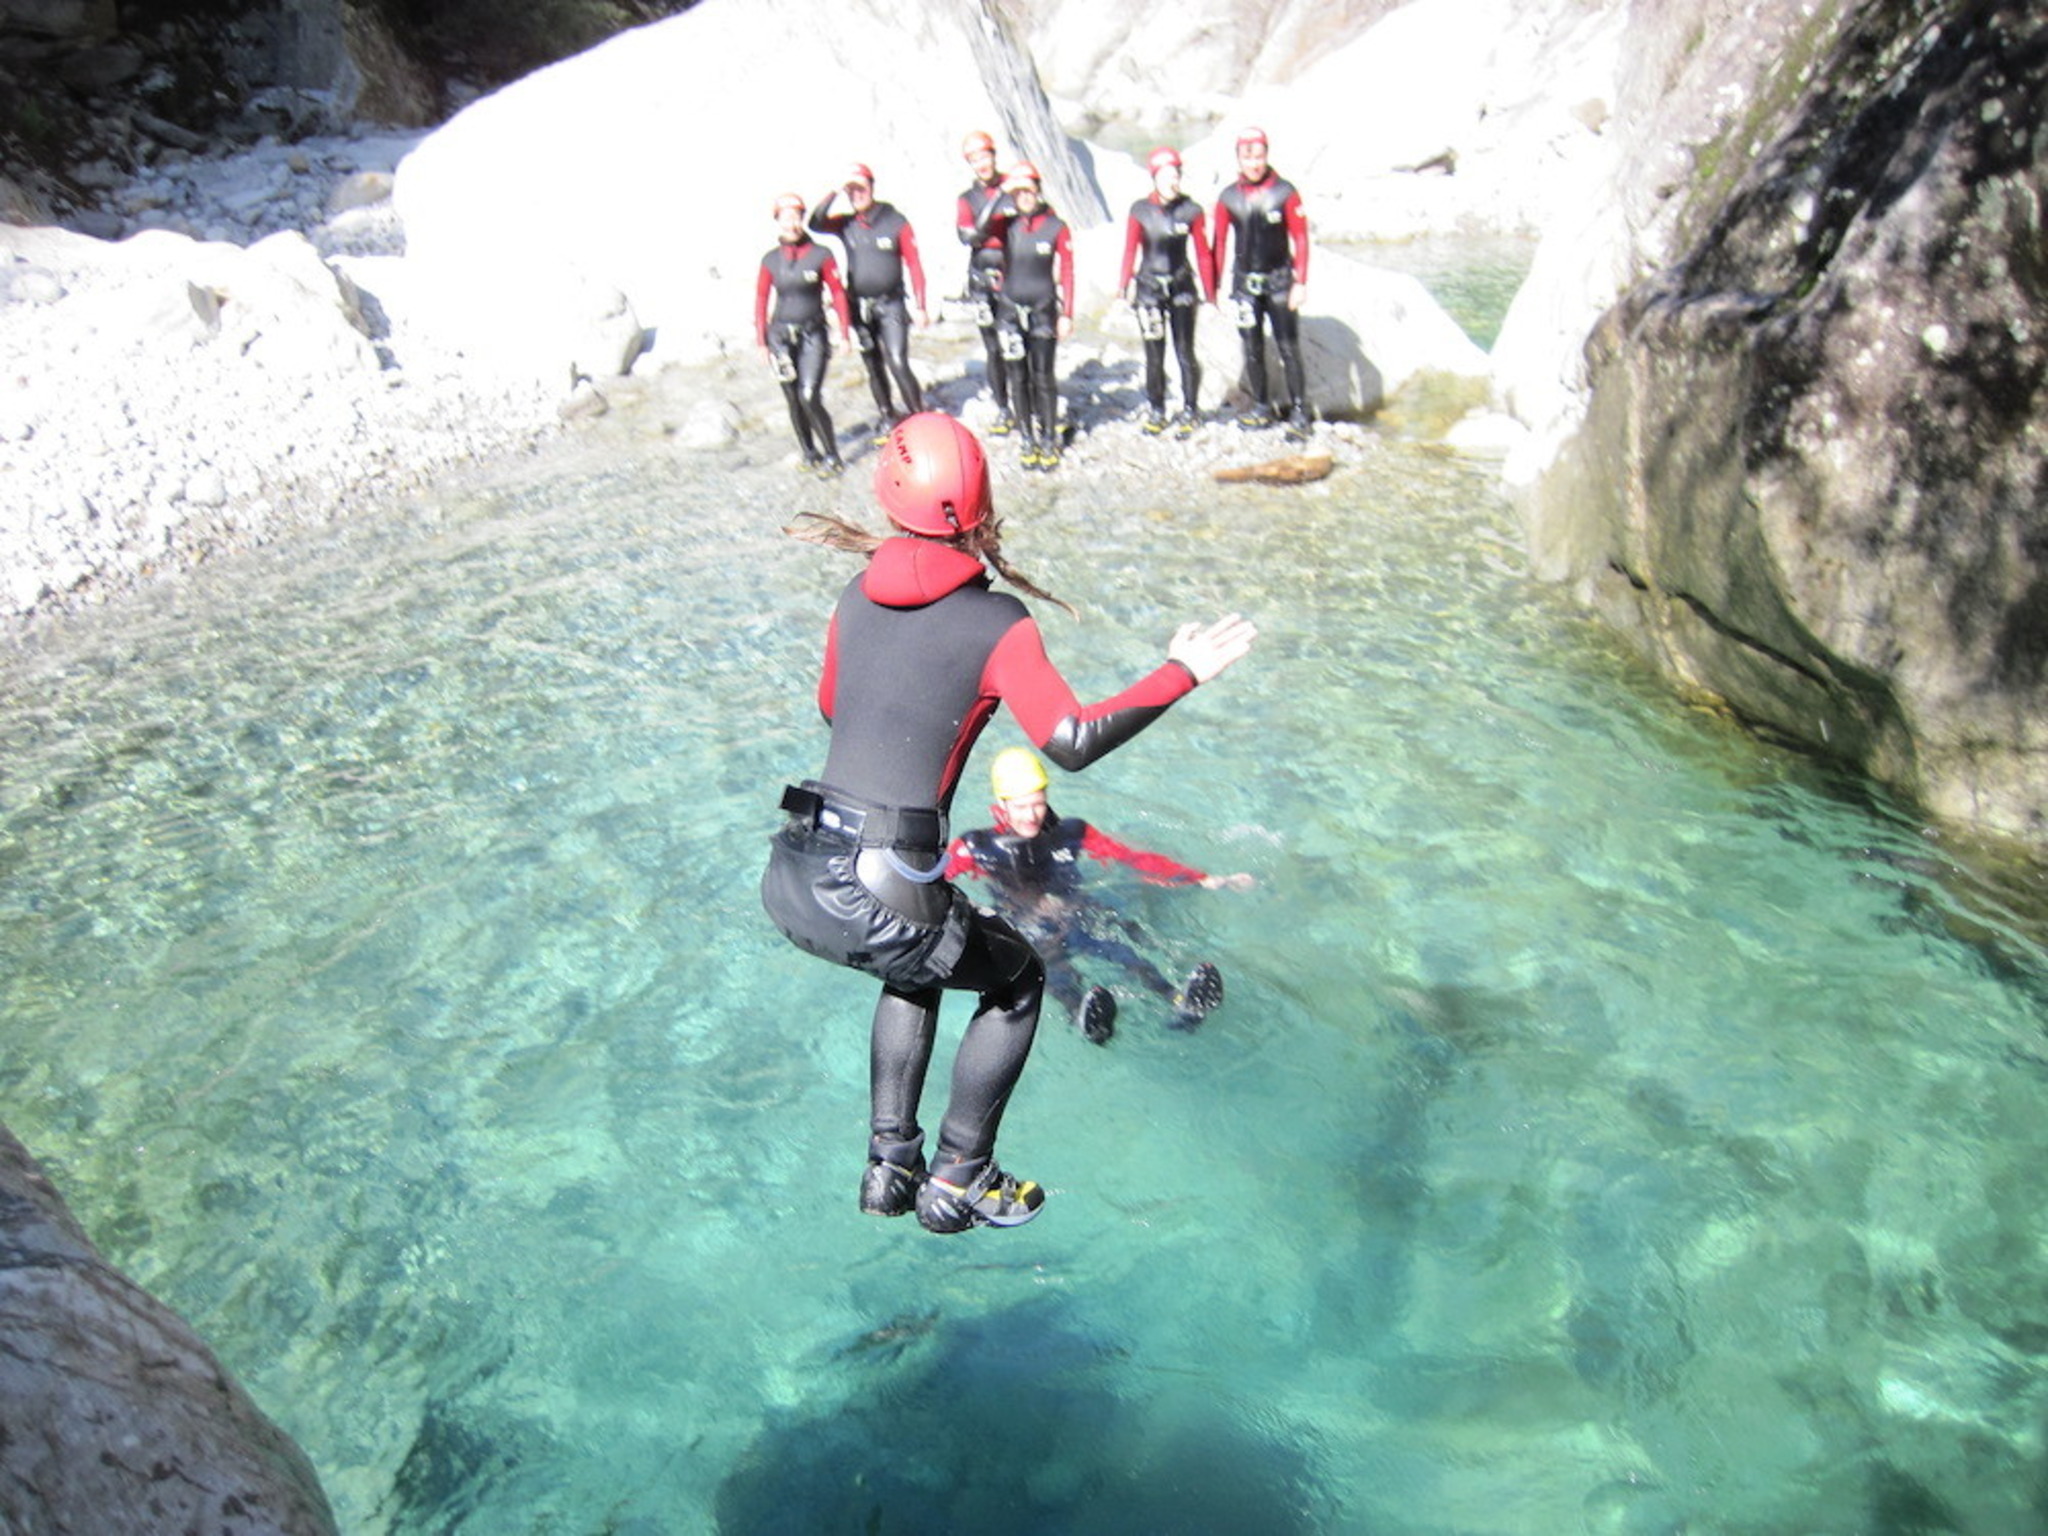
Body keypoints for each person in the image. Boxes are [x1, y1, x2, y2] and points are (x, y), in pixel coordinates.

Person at [760, 412, 1257, 1234]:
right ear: (983, 506)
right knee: (1019, 977)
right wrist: (1181, 672)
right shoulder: (999, 622)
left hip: (795, 868)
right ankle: (961, 1173)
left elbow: (829, 708)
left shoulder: (853, 596)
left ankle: (890, 1165)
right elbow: (1071, 741)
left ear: (888, 492)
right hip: (882, 877)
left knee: (916, 964)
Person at [945, 747, 1253, 1044]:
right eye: (1021, 806)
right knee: (1052, 971)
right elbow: (933, 879)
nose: (1031, 816)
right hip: (1029, 927)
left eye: (1038, 804)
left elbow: (1133, 858)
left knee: (1128, 951)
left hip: (1078, 912)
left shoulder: (1072, 832)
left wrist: (1203, 879)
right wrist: (965, 909)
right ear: (1002, 802)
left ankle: (1178, 999)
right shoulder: (975, 846)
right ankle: (1083, 1017)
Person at [809, 162, 928, 440]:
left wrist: (921, 306)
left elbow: (914, 264)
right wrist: (835, 190)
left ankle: (920, 416)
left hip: (892, 304)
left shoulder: (895, 221)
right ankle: (888, 414)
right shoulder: (846, 223)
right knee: (873, 365)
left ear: (872, 187)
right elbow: (814, 223)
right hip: (860, 306)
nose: (857, 195)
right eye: (852, 191)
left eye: (861, 189)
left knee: (897, 359)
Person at [1210, 126, 1312, 441]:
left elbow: (1300, 237)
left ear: (1267, 156)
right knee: (1251, 348)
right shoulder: (1228, 197)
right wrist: (1212, 289)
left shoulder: (1285, 193)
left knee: (1288, 347)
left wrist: (1301, 281)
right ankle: (1262, 406)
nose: (1254, 163)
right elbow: (1220, 243)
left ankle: (1299, 411)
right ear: (1238, 159)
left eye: (1259, 156)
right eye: (1247, 157)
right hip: (1245, 287)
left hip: (1280, 281)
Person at [973, 161, 1074, 471]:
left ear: (1039, 191)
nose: (1024, 197)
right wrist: (1001, 193)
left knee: (1043, 376)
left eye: (1029, 191)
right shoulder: (1007, 225)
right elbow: (980, 230)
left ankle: (1048, 438)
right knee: (1018, 376)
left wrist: (1067, 313)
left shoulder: (1056, 227)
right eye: (1019, 193)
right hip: (1009, 314)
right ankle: (1027, 438)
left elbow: (1068, 272)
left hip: (1044, 311)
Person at [1118, 146, 1216, 436]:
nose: (1172, 181)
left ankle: (1190, 408)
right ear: (1155, 178)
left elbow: (1203, 254)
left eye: (1176, 175)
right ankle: (1157, 409)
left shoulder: (1191, 211)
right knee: (1154, 353)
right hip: (1149, 291)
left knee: (1185, 350)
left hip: (1182, 289)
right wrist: (1122, 288)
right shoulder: (1140, 210)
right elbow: (1129, 250)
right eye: (1166, 176)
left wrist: (1210, 296)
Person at [754, 191, 851, 474]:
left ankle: (832, 454)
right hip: (780, 337)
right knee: (793, 398)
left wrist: (844, 333)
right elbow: (760, 300)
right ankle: (809, 453)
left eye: (796, 217)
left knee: (809, 395)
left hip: (813, 334)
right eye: (786, 218)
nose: (792, 223)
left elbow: (838, 293)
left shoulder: (822, 254)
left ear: (802, 218)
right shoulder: (770, 260)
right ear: (778, 221)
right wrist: (762, 342)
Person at [954, 130, 1015, 435]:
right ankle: (1003, 406)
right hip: (980, 275)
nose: (982, 164)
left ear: (994, 155)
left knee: (1018, 340)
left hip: (1013, 270)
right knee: (993, 346)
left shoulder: (1016, 186)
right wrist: (999, 203)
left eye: (985, 156)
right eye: (975, 159)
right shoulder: (967, 200)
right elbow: (970, 236)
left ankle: (1025, 401)